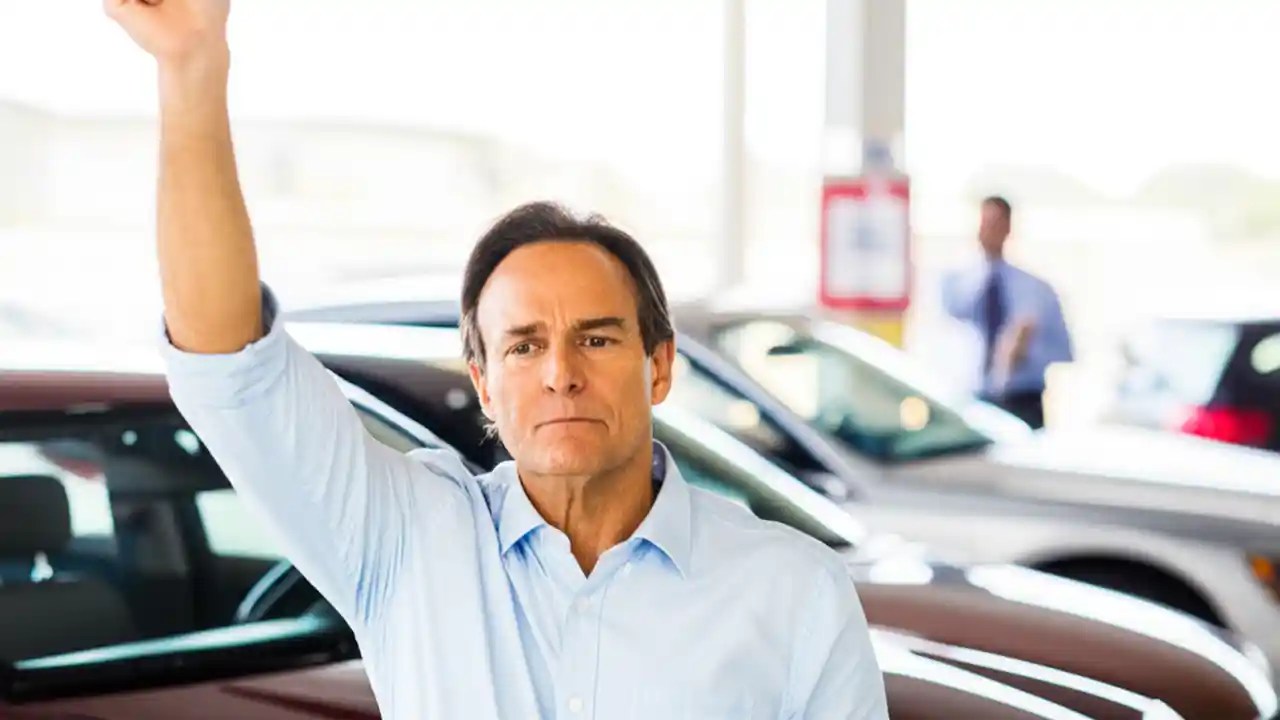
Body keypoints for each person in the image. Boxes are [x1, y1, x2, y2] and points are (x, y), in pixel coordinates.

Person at [104, 1, 888, 718]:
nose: (559, 372)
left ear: (659, 366)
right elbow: (233, 369)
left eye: (597, 337)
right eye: (523, 345)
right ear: (482, 381)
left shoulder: (795, 591)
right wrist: (193, 68)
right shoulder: (407, 539)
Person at [942, 196, 1073, 429]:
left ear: (1009, 227)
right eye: (985, 223)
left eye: (996, 223)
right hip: (968, 398)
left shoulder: (1037, 290)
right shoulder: (954, 283)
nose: (989, 231)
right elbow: (945, 327)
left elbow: (1065, 351)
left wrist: (1023, 349)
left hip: (1023, 400)